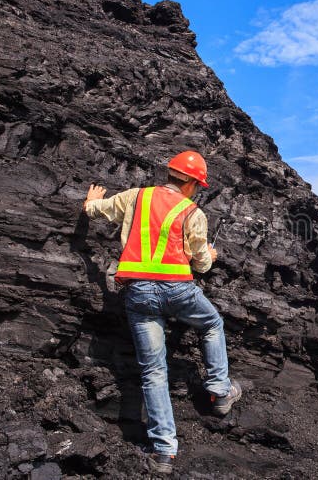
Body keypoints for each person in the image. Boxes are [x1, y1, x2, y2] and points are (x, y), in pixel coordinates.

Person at [82, 150, 241, 475]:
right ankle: (220, 392)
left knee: (153, 370)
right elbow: (200, 263)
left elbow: (101, 210)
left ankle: (164, 453)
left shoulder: (136, 197)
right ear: (194, 183)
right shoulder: (192, 212)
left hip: (138, 293)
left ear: (170, 173)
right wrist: (210, 254)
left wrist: (89, 204)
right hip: (178, 291)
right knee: (211, 324)